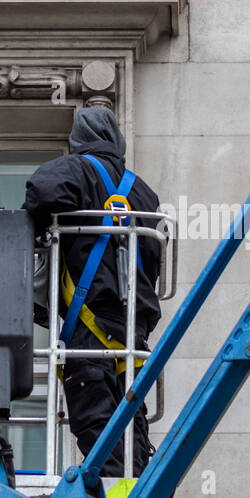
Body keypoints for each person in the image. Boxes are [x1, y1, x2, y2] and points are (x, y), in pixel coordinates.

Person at [23, 105, 162, 477]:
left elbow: (40, 192)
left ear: (78, 142)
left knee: (96, 421)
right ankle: (132, 493)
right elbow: (152, 258)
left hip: (90, 324)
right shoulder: (142, 193)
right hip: (131, 326)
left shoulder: (74, 171)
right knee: (130, 420)